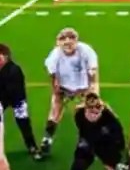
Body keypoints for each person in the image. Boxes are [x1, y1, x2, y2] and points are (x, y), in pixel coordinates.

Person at [62, 92, 130, 170]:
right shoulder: (79, 114)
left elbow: (119, 139)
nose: (94, 113)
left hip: (106, 143)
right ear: (86, 108)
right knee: (78, 165)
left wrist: (119, 155)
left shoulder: (110, 119)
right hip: (88, 140)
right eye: (91, 109)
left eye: (97, 109)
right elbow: (82, 130)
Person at [41, 27, 99, 155]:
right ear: (58, 42)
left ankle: (87, 140)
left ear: (76, 40)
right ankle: (47, 139)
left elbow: (93, 72)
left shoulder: (86, 51)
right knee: (55, 112)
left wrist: (93, 91)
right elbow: (53, 77)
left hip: (83, 87)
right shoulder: (54, 56)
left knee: (91, 112)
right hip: (64, 87)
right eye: (63, 39)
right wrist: (57, 93)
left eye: (71, 39)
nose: (67, 42)